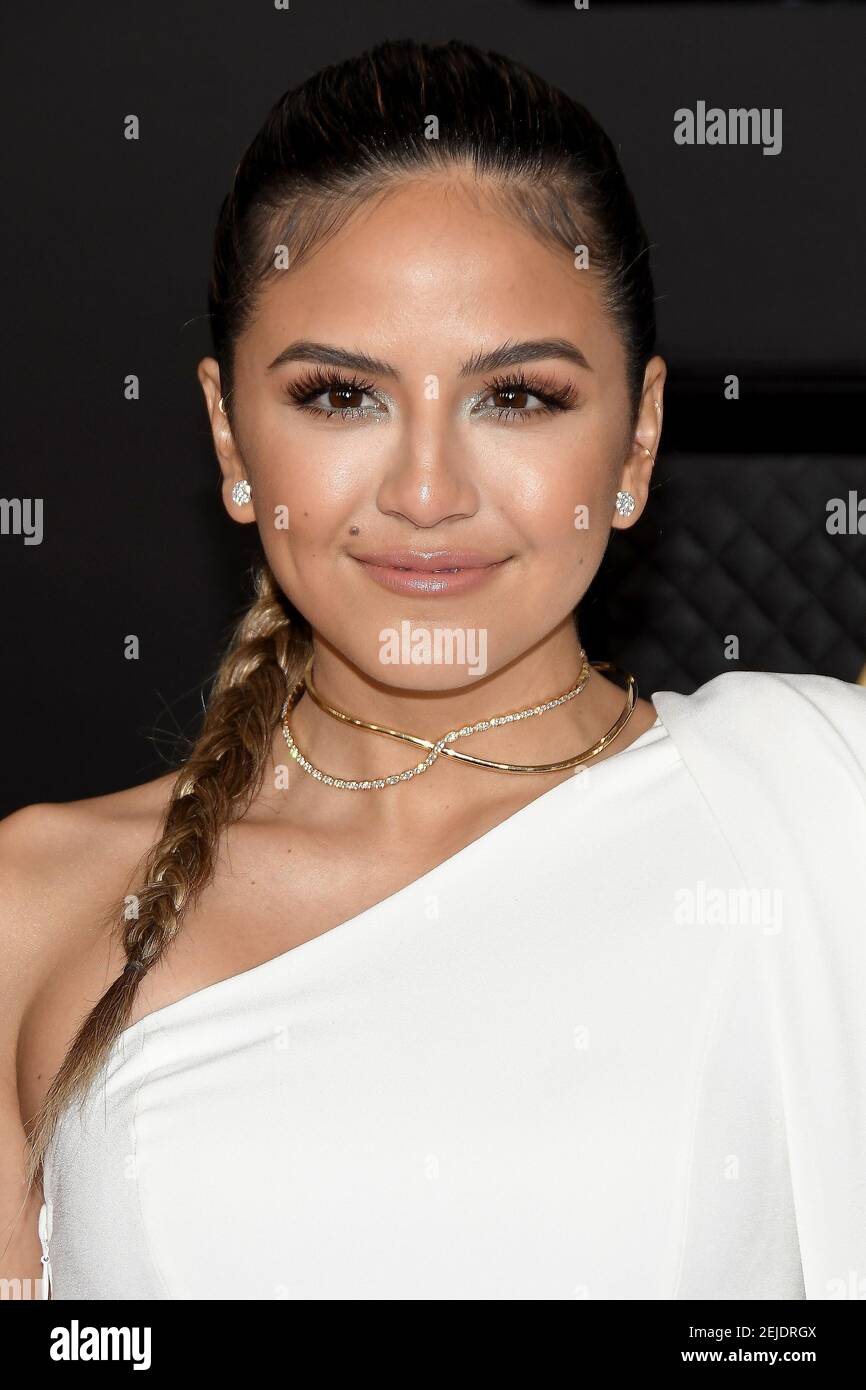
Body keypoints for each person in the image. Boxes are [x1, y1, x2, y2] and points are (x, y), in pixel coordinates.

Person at [2, 37, 865, 1301]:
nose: (423, 493)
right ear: (227, 431)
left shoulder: (817, 807)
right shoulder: (31, 905)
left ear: (637, 440)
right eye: (339, 396)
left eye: (514, 397)